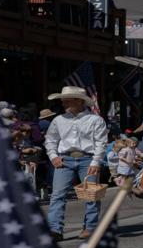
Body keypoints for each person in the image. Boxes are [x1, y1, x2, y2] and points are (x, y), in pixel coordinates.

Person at [43, 85, 108, 239]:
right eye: (63, 100)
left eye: (67, 100)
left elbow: (101, 142)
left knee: (90, 195)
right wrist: (53, 156)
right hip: (64, 159)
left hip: (88, 159)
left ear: (79, 101)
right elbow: (50, 140)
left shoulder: (95, 120)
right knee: (57, 194)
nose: (63, 103)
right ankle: (55, 229)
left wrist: (96, 162)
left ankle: (90, 227)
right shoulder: (58, 120)